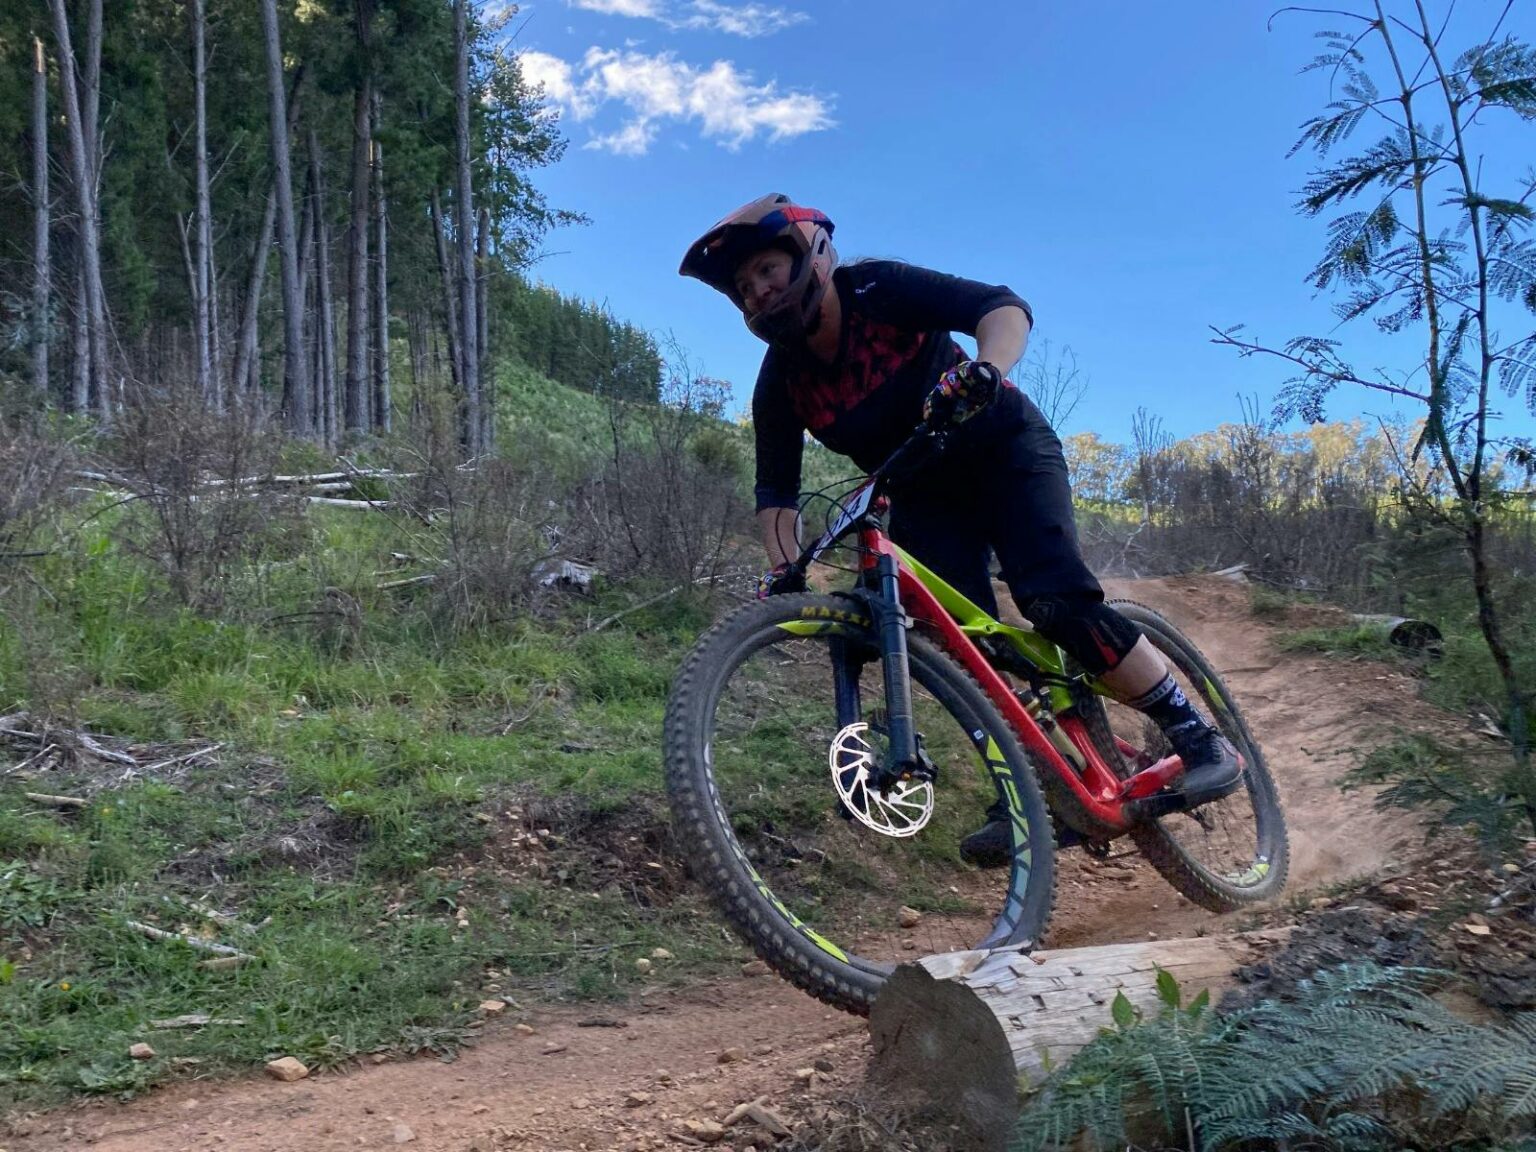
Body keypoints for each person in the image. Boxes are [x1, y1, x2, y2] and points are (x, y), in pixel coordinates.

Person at [678, 193, 1242, 865]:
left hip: (1005, 450)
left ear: (812, 254)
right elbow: (775, 491)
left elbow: (999, 307)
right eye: (744, 288)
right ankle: (1030, 794)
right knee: (956, 646)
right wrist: (784, 566)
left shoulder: (878, 289)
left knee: (1053, 600)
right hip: (921, 490)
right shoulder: (780, 384)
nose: (758, 292)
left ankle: (1196, 733)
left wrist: (985, 371)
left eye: (766, 270)